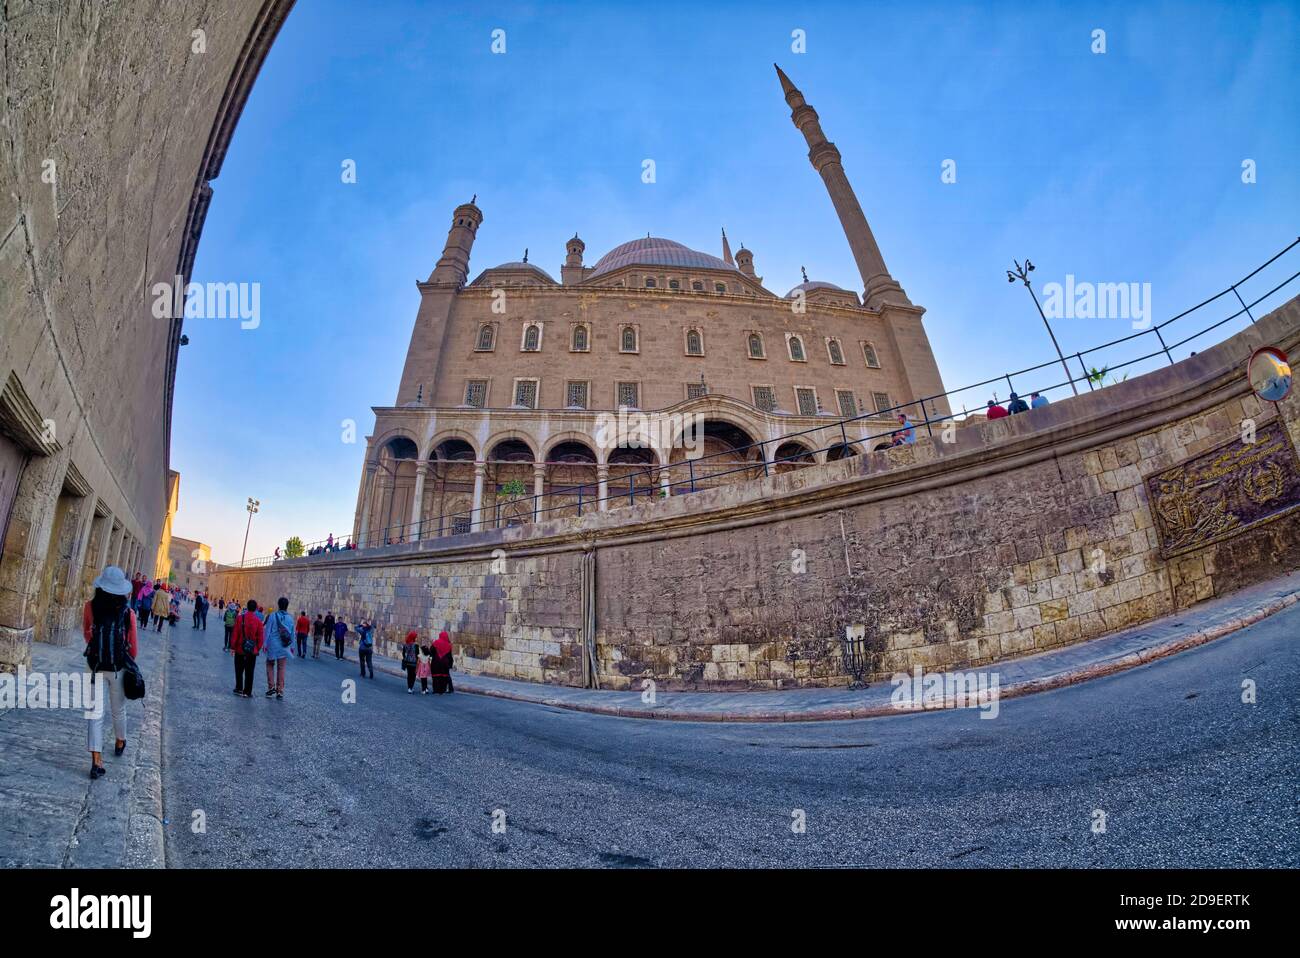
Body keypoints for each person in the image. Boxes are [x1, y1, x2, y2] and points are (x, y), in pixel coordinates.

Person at [83, 566, 139, 780]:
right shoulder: (128, 612)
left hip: (95, 666)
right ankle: (120, 740)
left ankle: (96, 760)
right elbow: (133, 648)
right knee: (118, 710)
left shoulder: (89, 606)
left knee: (95, 713)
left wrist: (99, 649)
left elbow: (87, 634)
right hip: (118, 668)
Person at [262, 597, 295, 699]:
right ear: (287, 606)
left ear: (278, 605)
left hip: (273, 645)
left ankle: (271, 686)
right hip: (284, 647)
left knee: (270, 664)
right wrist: (292, 647)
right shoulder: (290, 618)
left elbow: (267, 631)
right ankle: (280, 690)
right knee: (281, 668)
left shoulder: (272, 616)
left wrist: (265, 644)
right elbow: (293, 634)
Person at [231, 599, 264, 698]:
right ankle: (247, 691)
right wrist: (257, 649)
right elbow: (260, 638)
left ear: (247, 606)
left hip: (240, 649)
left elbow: (235, 633)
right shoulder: (258, 622)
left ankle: (239, 688)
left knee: (239, 669)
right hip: (251, 651)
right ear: (255, 609)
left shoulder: (240, 618)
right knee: (250, 672)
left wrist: (233, 647)